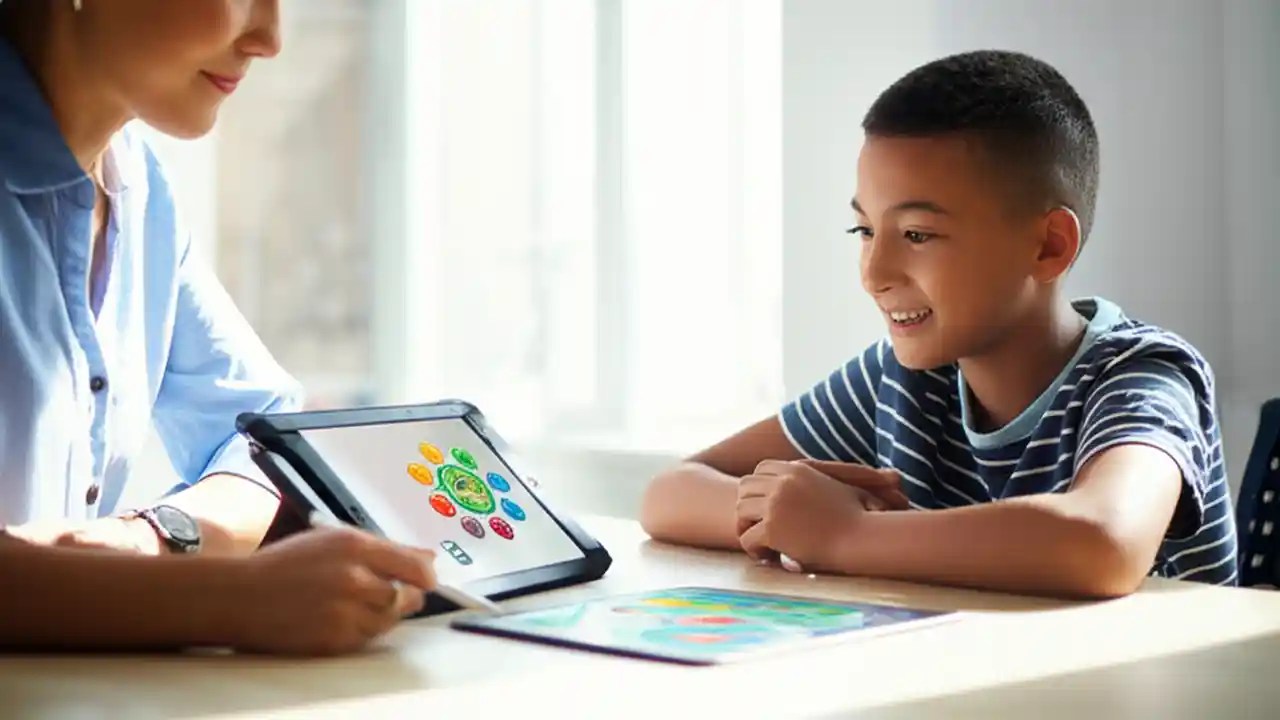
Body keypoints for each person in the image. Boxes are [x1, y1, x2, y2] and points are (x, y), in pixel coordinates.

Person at [640, 50, 1237, 598]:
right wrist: (786, 511)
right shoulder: (900, 377)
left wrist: (845, 535)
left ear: (1049, 247)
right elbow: (669, 494)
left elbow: (1103, 543)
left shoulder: (1143, 374)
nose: (874, 273)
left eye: (918, 235)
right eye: (864, 231)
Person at [0, 0, 437, 654]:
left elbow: (269, 443)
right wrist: (231, 599)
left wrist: (148, 537)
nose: (270, 39)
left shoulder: (137, 185)